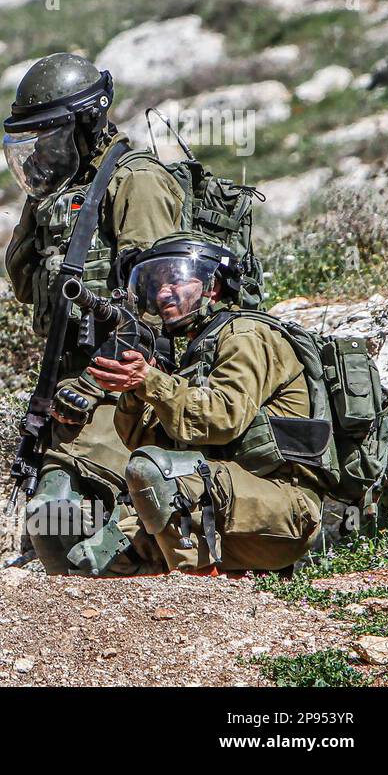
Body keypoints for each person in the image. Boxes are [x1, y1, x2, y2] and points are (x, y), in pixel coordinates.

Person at [2, 53, 186, 575]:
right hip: (68, 378)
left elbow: (159, 311)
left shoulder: (137, 182)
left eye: (49, 134)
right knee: (53, 524)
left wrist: (99, 381)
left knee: (60, 525)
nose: (39, 148)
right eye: (30, 137)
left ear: (84, 123)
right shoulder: (58, 190)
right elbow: (23, 283)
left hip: (124, 382)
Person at [99, 233, 325, 572]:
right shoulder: (195, 352)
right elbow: (146, 443)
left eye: (174, 279)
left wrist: (153, 382)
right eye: (157, 284)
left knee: (153, 471)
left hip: (281, 512)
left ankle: (201, 595)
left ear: (213, 286)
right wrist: (137, 389)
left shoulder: (245, 336)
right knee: (91, 556)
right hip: (221, 503)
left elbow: (222, 419)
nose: (163, 293)